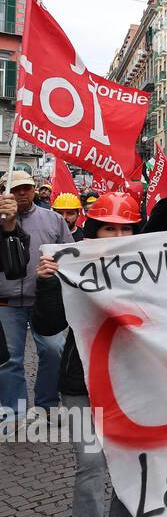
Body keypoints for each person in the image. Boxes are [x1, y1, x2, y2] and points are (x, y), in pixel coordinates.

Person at [32, 193, 141, 517]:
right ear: (93, 230)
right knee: (90, 462)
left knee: (129, 455)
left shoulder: (146, 267)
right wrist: (46, 285)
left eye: (125, 228)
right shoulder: (68, 266)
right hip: (80, 383)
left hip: (132, 380)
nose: (117, 234)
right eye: (109, 226)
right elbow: (48, 326)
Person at [0, 170, 73, 424]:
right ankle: (14, 413)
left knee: (54, 350)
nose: (22, 193)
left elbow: (70, 255)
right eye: (16, 188)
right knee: (10, 360)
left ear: (34, 189)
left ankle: (48, 405)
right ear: (4, 191)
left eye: (27, 188)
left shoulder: (53, 220)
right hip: (5, 302)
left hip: (44, 299)